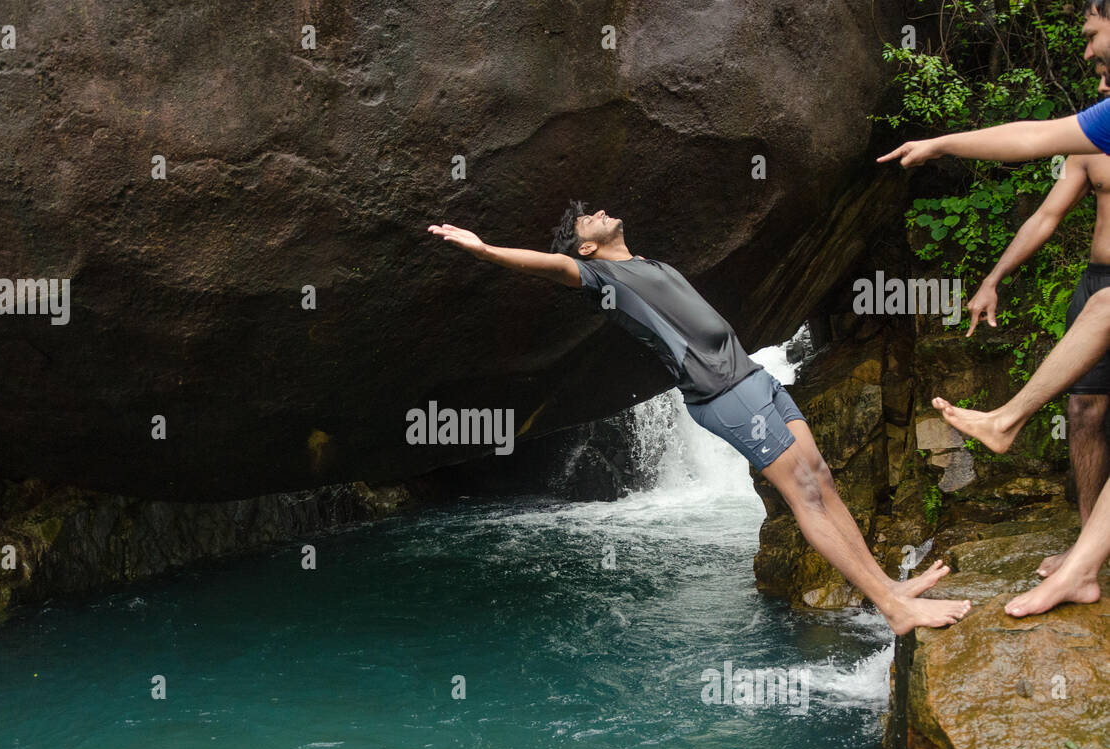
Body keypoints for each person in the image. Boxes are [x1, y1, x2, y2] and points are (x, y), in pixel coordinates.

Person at [426, 205, 972, 635]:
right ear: (586, 247)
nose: (598, 212)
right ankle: (890, 607)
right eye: (585, 220)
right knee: (805, 492)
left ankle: (889, 588)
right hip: (723, 393)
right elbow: (549, 266)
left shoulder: (649, 265)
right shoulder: (600, 279)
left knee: (822, 478)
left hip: (753, 377)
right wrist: (485, 250)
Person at [877, 0, 1110, 615]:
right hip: (1103, 282)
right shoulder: (1102, 130)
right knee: (1092, 379)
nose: (1087, 54)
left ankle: (1007, 423)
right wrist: (942, 143)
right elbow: (1033, 141)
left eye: (1091, 36)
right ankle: (1084, 561)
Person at [964, 150, 1110, 579]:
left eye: (1109, 79)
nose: (1103, 89)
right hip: (1097, 283)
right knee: (1083, 411)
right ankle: (1086, 545)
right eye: (1101, 79)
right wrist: (993, 278)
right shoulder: (1091, 145)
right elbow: (1046, 216)